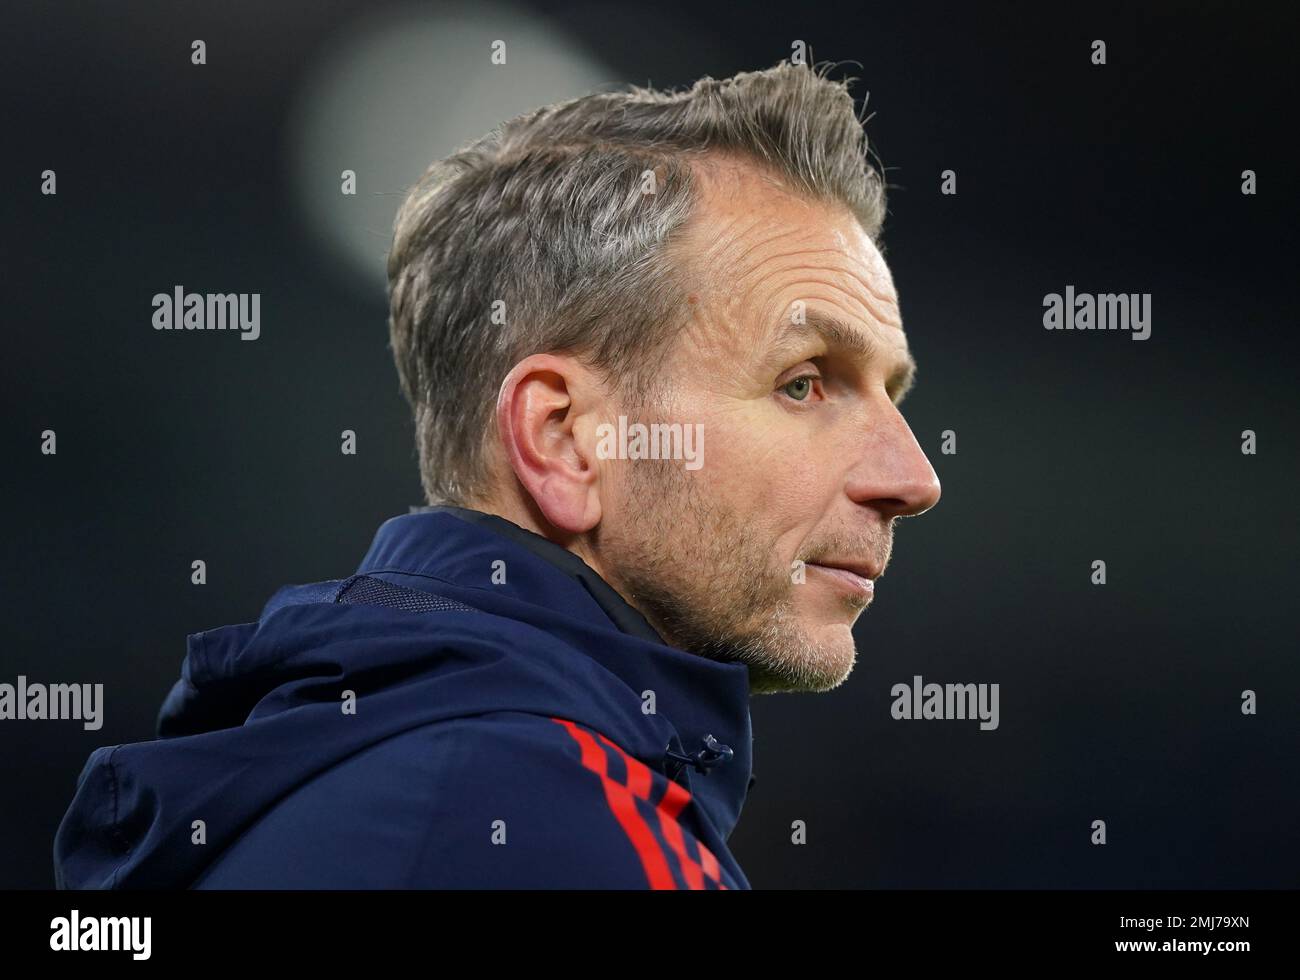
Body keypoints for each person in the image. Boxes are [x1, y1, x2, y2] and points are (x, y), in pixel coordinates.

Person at [54, 60, 940, 890]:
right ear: (562, 438)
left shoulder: (310, 771)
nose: (912, 475)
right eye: (804, 382)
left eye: (889, 394)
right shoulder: (554, 817)